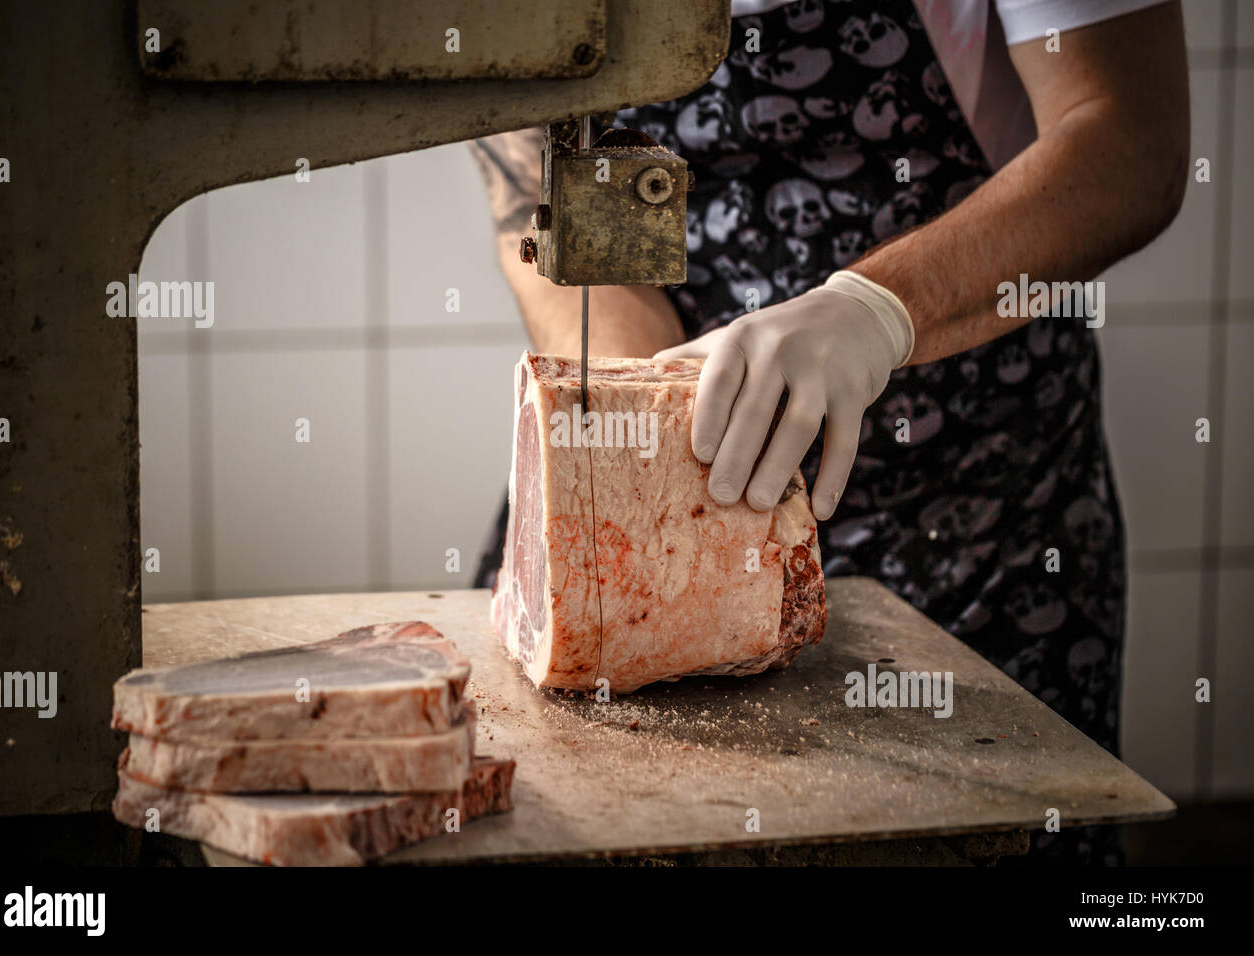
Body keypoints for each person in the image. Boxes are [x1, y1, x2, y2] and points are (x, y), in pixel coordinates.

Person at [469, 0, 1188, 864]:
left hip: (967, 501)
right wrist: (644, 440)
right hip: (680, 472)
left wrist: (878, 308)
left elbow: (1128, 140)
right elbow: (537, 180)